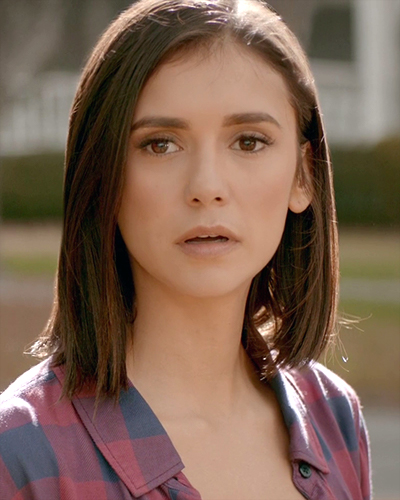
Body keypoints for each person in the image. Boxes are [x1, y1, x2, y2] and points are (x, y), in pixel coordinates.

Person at [0, 0, 371, 498]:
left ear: (303, 175)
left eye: (248, 141)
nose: (206, 186)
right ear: (104, 175)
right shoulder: (22, 452)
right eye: (160, 144)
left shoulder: (334, 416)